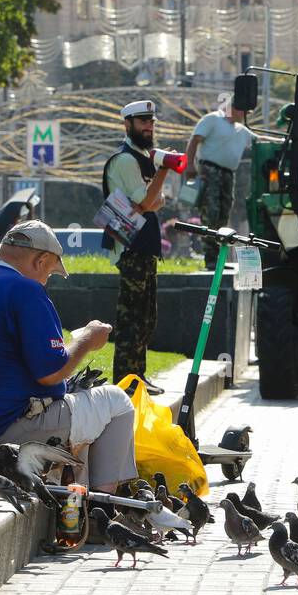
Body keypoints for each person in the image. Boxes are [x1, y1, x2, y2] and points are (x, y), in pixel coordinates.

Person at [0, 220, 137, 492]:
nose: (46, 281)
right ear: (41, 260)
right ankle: (102, 509)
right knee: (115, 401)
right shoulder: (25, 290)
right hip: (4, 431)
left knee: (83, 411)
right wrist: (88, 340)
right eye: (50, 273)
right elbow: (51, 373)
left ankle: (76, 497)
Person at [103, 100, 175, 384]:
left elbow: (157, 202)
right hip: (130, 246)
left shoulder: (143, 158)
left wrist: (150, 197)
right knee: (132, 319)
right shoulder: (125, 160)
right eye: (142, 120)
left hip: (143, 246)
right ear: (127, 124)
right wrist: (163, 171)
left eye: (152, 121)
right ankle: (126, 379)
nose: (149, 126)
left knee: (146, 318)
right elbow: (147, 200)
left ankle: (138, 376)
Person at [183, 97, 254, 269]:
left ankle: (218, 260)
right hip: (210, 170)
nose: (245, 115)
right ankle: (210, 259)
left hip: (228, 174)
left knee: (223, 213)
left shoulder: (241, 131)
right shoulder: (213, 119)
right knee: (211, 212)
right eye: (243, 111)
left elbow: (260, 142)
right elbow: (194, 140)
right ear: (234, 108)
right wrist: (189, 164)